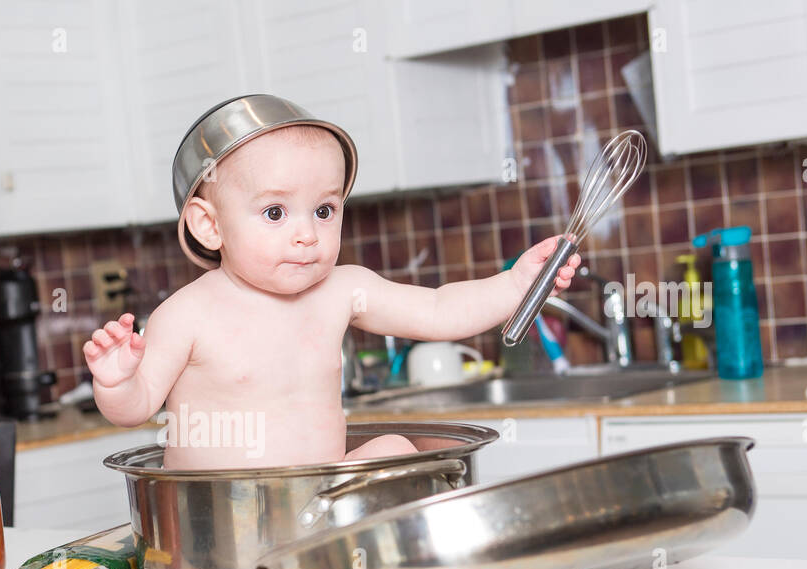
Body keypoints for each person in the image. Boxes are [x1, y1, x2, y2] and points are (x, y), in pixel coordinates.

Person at [83, 97, 578, 469]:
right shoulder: (187, 313)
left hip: (321, 503)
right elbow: (136, 408)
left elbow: (439, 310)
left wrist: (516, 286)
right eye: (275, 212)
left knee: (395, 451)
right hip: (223, 515)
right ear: (210, 226)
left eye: (324, 210)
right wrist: (117, 382)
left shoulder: (342, 290)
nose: (307, 235)